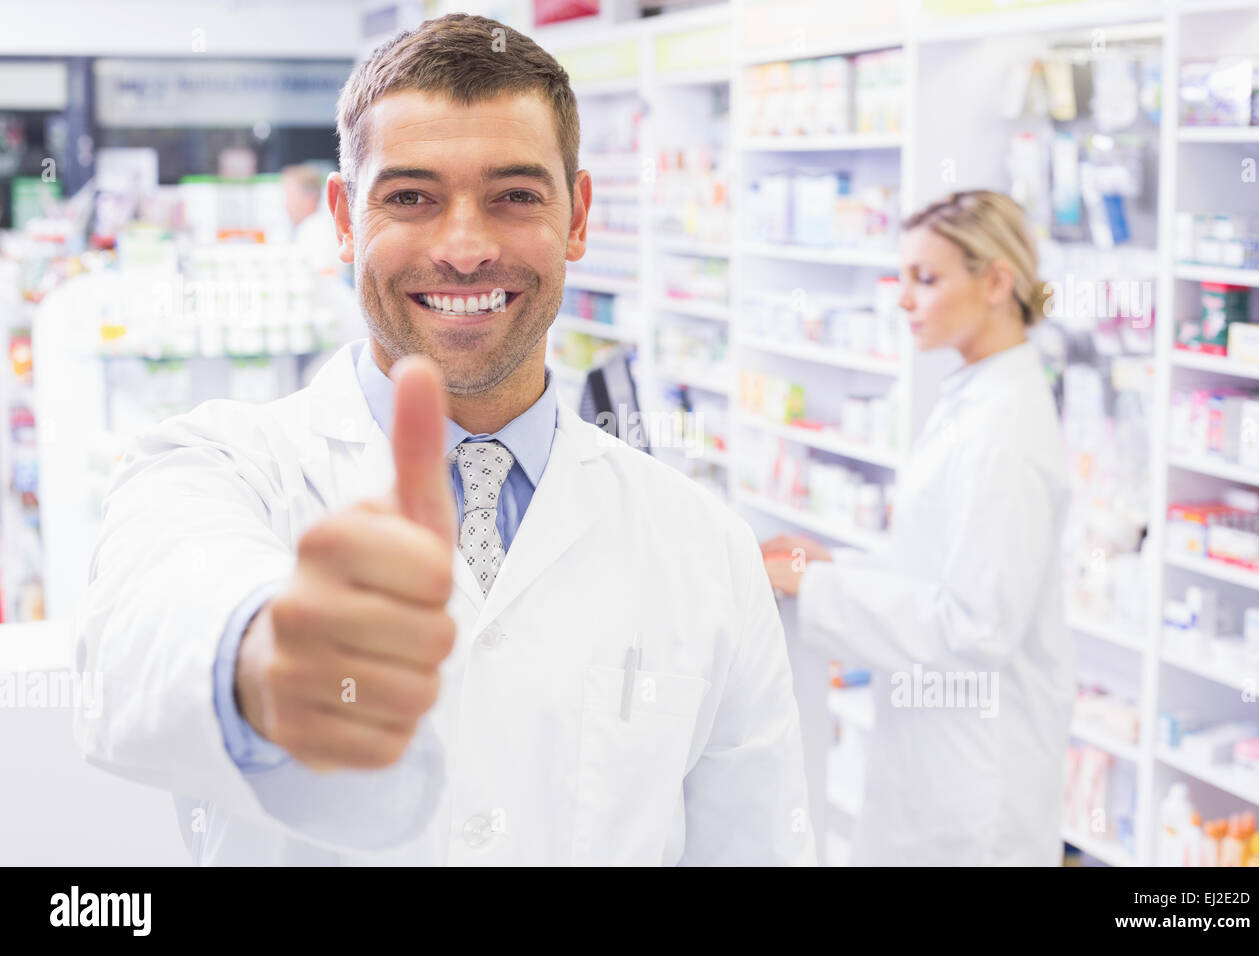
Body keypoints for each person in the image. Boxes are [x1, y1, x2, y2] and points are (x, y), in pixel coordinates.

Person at [74, 14, 814, 867]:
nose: (465, 249)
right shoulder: (221, 465)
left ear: (577, 219)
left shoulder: (702, 544)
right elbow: (145, 618)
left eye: (515, 195)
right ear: (346, 219)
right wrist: (263, 650)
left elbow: (755, 847)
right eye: (412, 197)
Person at [762, 190, 1074, 866]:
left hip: (979, 779)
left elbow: (975, 626)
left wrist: (816, 589)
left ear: (996, 282)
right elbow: (937, 564)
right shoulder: (975, 393)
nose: (902, 300)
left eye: (925, 280)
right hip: (941, 750)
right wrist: (834, 569)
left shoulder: (1005, 428)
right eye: (902, 278)